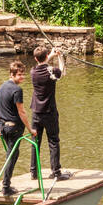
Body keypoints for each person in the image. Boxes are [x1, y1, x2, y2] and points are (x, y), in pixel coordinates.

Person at [30, 43, 71, 182]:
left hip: (36, 112)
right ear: (46, 56)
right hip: (49, 112)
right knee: (53, 141)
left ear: (36, 59)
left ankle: (33, 172)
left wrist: (51, 55)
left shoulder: (33, 71)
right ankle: (56, 172)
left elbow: (42, 64)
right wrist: (60, 57)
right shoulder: (51, 71)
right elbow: (62, 72)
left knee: (35, 142)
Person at [0, 59, 36, 197]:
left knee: (11, 154)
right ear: (12, 74)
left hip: (4, 127)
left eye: (23, 74)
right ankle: (6, 187)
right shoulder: (17, 90)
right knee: (12, 156)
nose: (22, 77)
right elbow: (22, 111)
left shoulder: (2, 87)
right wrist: (30, 129)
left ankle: (6, 183)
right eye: (19, 75)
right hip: (14, 129)